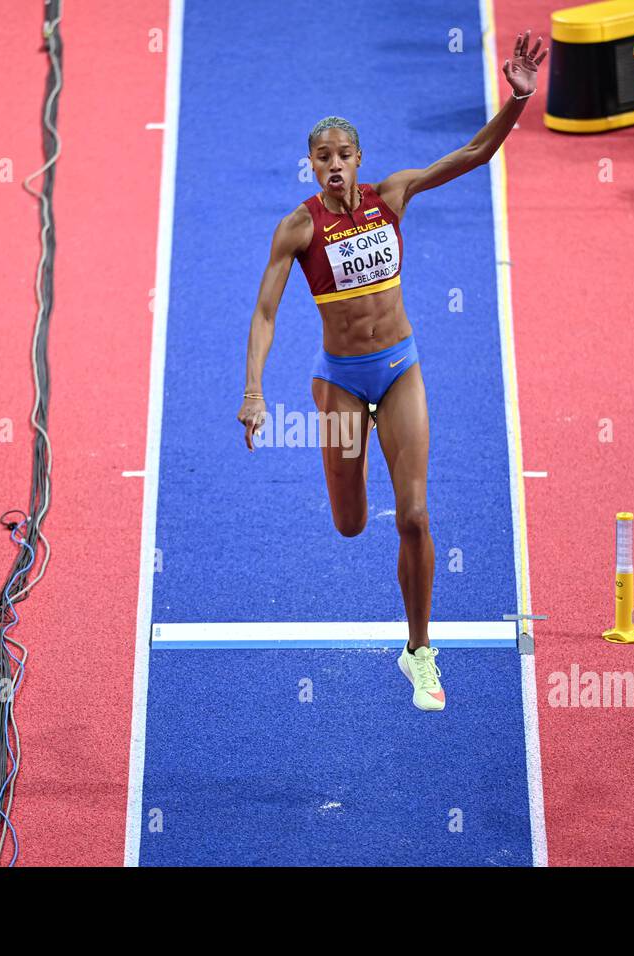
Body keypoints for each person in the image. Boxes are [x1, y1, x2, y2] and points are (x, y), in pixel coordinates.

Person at [236, 32, 548, 712]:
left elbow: (474, 152)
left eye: (344, 155)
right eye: (323, 158)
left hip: (399, 369)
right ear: (311, 167)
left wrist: (517, 100)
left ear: (360, 159)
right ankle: (343, 475)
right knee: (350, 524)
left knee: (413, 515)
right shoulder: (298, 228)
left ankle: (419, 652)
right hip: (342, 381)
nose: (335, 166)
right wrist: (255, 390)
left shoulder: (394, 195)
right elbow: (265, 314)